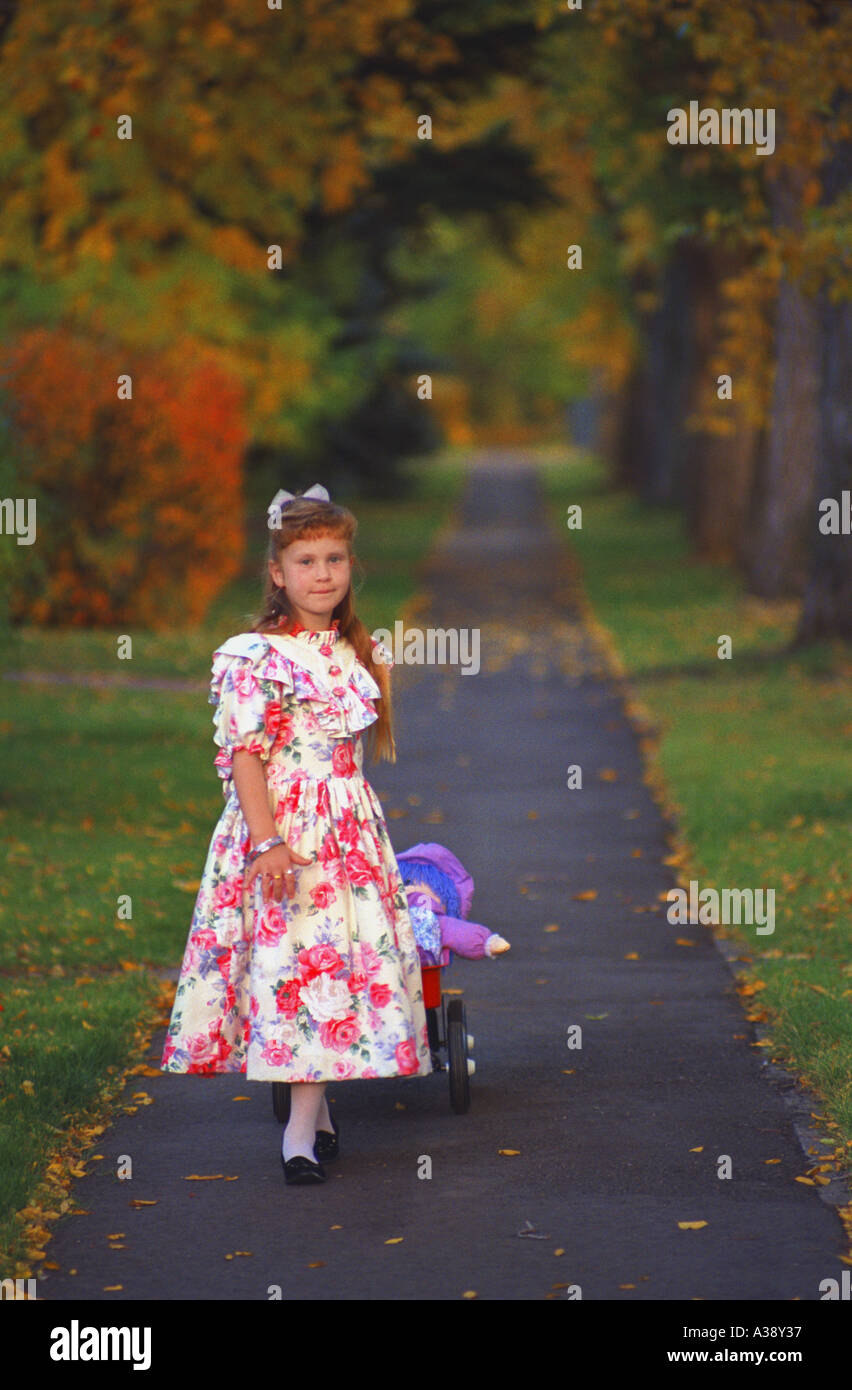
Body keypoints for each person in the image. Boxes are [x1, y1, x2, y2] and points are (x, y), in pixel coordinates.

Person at [161, 483, 432, 1185]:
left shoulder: (352, 649)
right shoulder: (257, 655)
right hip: (286, 832)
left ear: (350, 567)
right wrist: (265, 842)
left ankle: (316, 1115)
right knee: (300, 969)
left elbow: (350, 754)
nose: (323, 574)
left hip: (350, 833)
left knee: (338, 966)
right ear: (278, 573)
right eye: (306, 561)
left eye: (335, 559)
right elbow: (246, 755)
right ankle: (299, 1136)